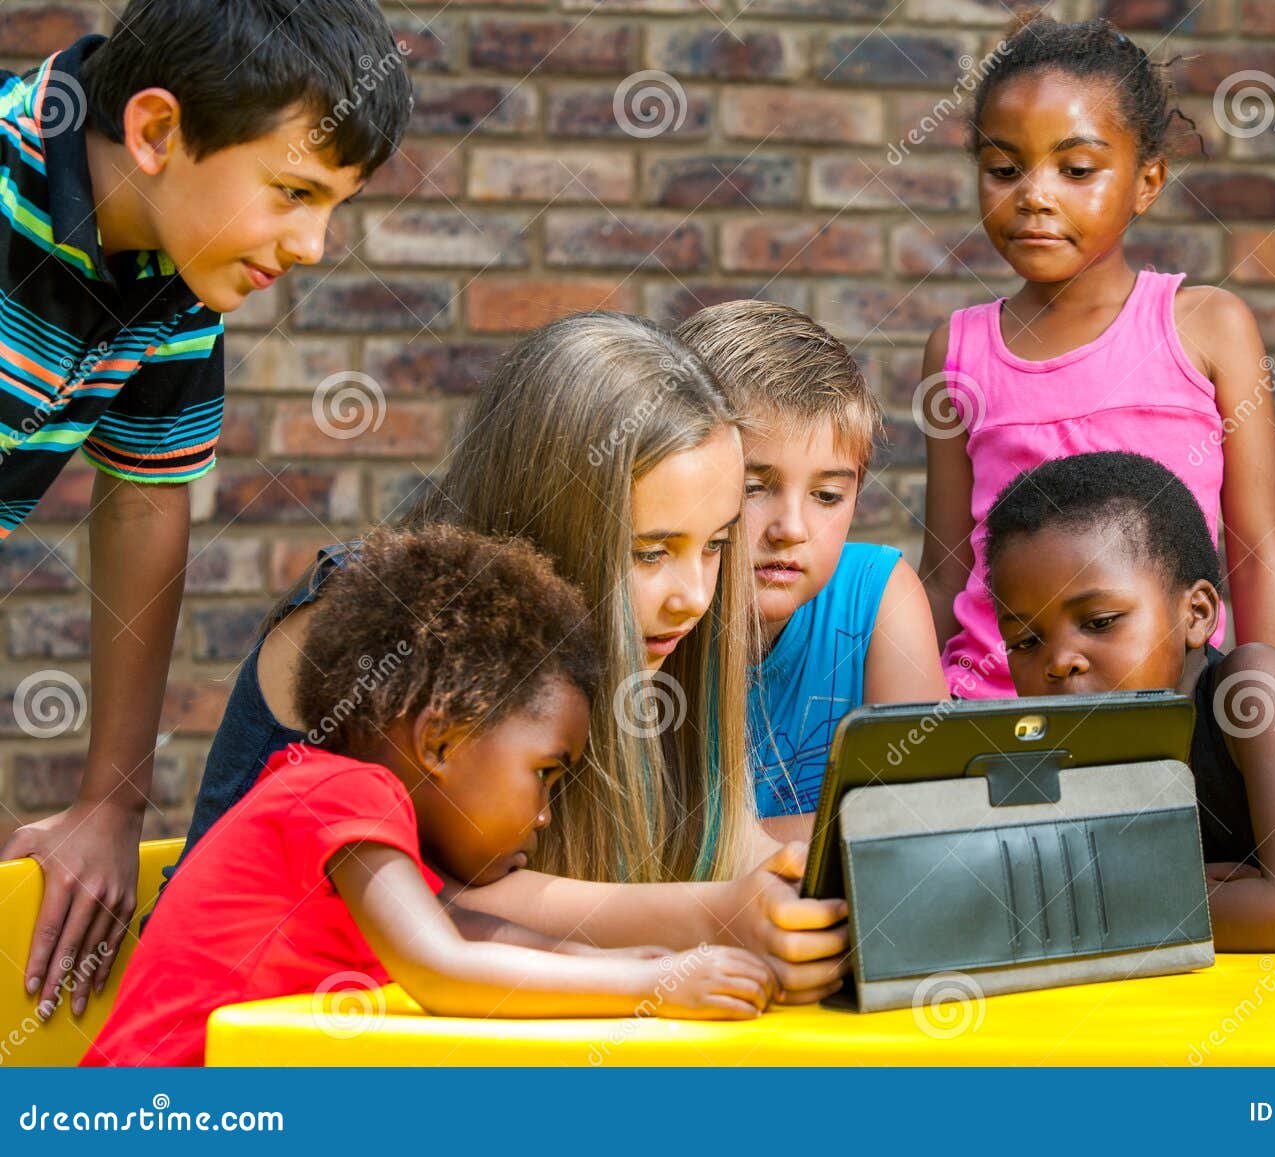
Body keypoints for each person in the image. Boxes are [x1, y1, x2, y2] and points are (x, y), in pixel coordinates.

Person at [175, 312, 850, 1005]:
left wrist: (798, 910)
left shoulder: (668, 633)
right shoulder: (387, 627)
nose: (695, 596)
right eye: (650, 551)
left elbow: (730, 847)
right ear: (552, 518)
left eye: (715, 545)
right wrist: (710, 915)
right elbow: (457, 905)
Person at [1, 0, 411, 1017]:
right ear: (154, 132)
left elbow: (143, 500)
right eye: (291, 190)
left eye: (334, 205)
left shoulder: (173, 268)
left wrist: (111, 798)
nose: (312, 243)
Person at [82, 524, 775, 1066]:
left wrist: (640, 962)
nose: (542, 815)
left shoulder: (355, 829)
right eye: (546, 773)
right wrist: (647, 991)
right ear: (440, 740)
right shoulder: (341, 792)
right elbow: (444, 969)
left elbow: (483, 935)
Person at [918, 11, 1275, 699]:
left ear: (1147, 181)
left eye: (1077, 168)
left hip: (1162, 707)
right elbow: (945, 568)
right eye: (1004, 167)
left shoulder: (1208, 330)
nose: (1034, 195)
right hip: (997, 713)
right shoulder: (960, 350)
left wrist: (1263, 709)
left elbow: (1255, 552)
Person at [984, 451, 1275, 952]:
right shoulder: (1067, 749)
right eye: (1026, 641)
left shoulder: (1248, 690)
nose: (1060, 661)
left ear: (1197, 614)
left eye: (1099, 622)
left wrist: (1105, 902)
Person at [676, 300, 947, 844]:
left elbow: (927, 818)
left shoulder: (875, 598)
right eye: (754, 488)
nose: (791, 528)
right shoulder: (650, 620)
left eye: (827, 495)